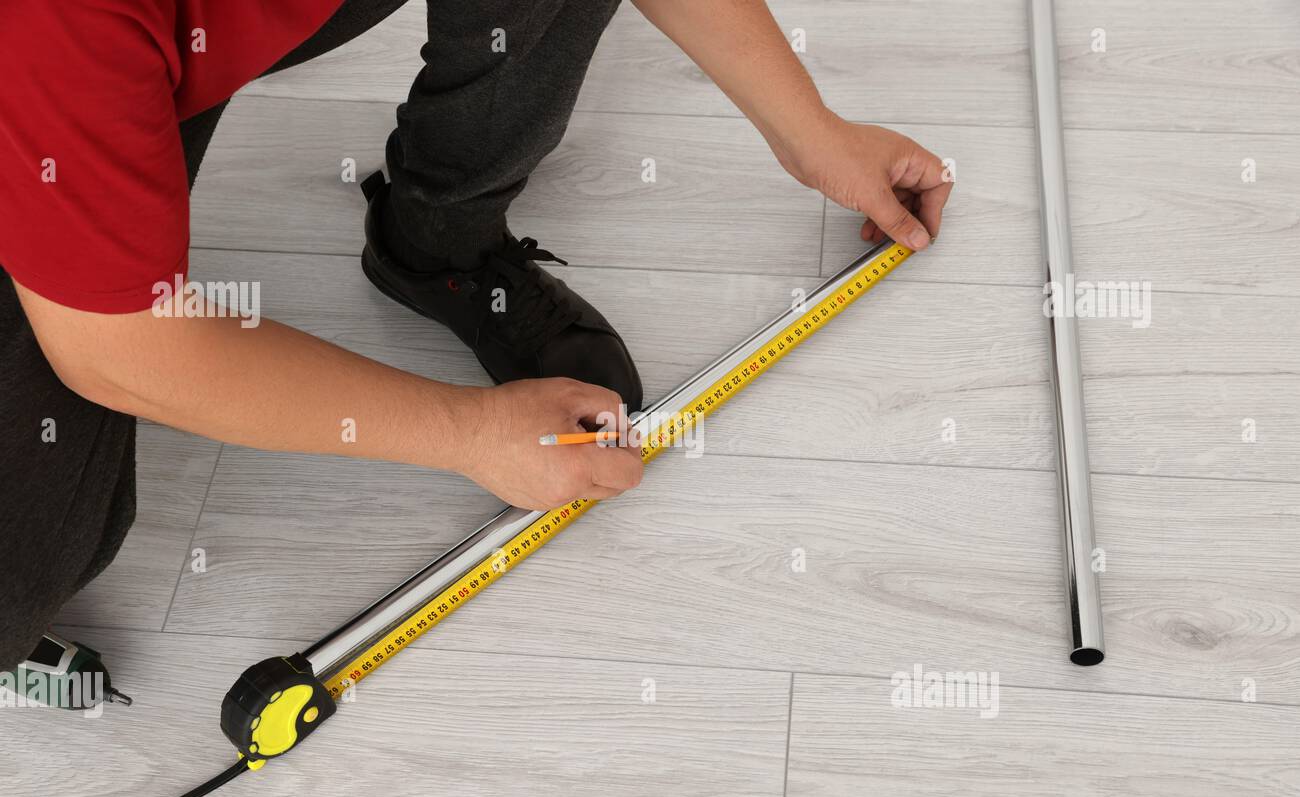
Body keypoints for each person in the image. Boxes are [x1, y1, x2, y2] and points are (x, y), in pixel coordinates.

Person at [0, 0, 953, 704]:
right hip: (48, 81)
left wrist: (810, 130)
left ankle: (439, 237)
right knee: (32, 551)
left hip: (137, 52)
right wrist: (466, 433)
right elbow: (116, 346)